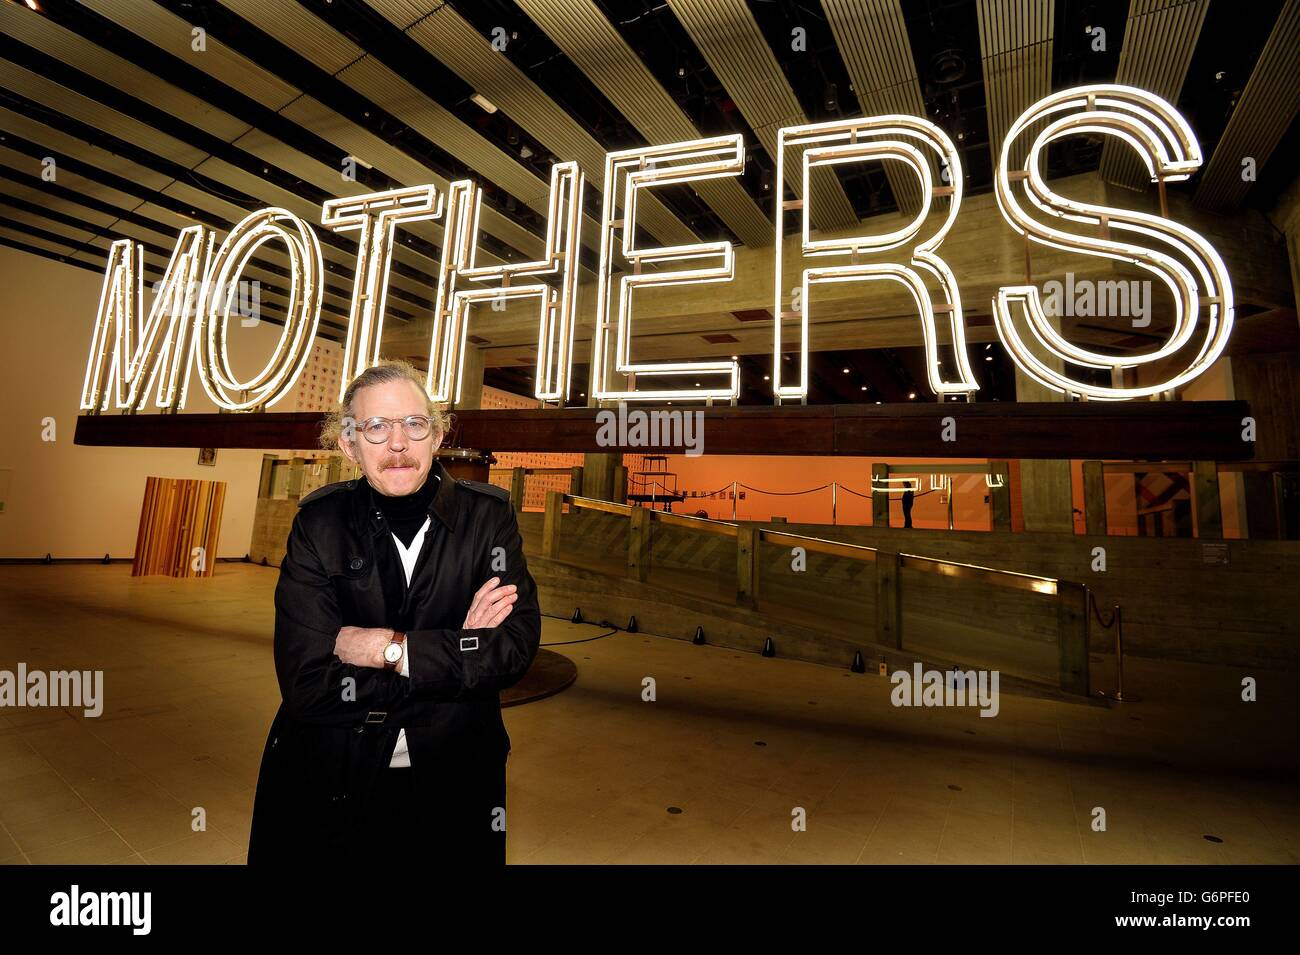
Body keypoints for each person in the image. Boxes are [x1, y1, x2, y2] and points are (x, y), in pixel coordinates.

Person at [248, 359, 540, 866]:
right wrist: (455, 657)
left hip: (455, 776)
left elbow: (512, 650)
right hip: (336, 774)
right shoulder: (319, 525)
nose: (398, 443)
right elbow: (308, 684)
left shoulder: (488, 517)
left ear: (437, 435)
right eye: (376, 427)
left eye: (414, 423)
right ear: (349, 445)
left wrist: (389, 650)